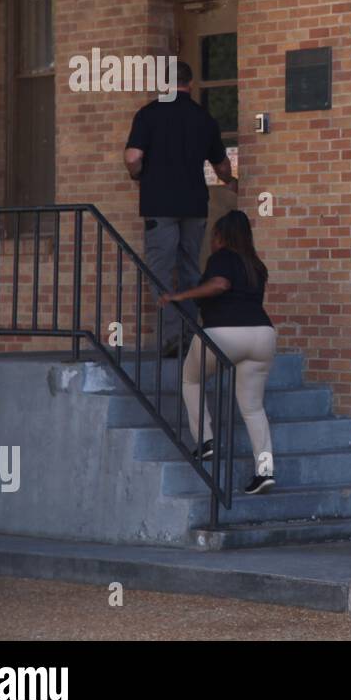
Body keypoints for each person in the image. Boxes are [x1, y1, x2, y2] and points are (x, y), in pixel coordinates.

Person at [123, 60, 237, 357]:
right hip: (195, 204)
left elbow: (133, 157)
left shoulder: (148, 115)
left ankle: (173, 336)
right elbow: (222, 166)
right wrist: (232, 182)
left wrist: (137, 174)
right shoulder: (204, 118)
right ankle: (189, 334)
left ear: (163, 84)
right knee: (190, 270)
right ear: (191, 83)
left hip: (159, 204)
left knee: (159, 270)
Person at [160, 210, 277, 495]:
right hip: (263, 335)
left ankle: (206, 441)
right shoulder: (256, 265)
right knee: (253, 408)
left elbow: (221, 284)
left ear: (222, 236)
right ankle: (264, 471)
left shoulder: (223, 257)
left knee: (192, 380)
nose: (212, 242)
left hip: (224, 333)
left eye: (214, 236)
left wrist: (180, 296)